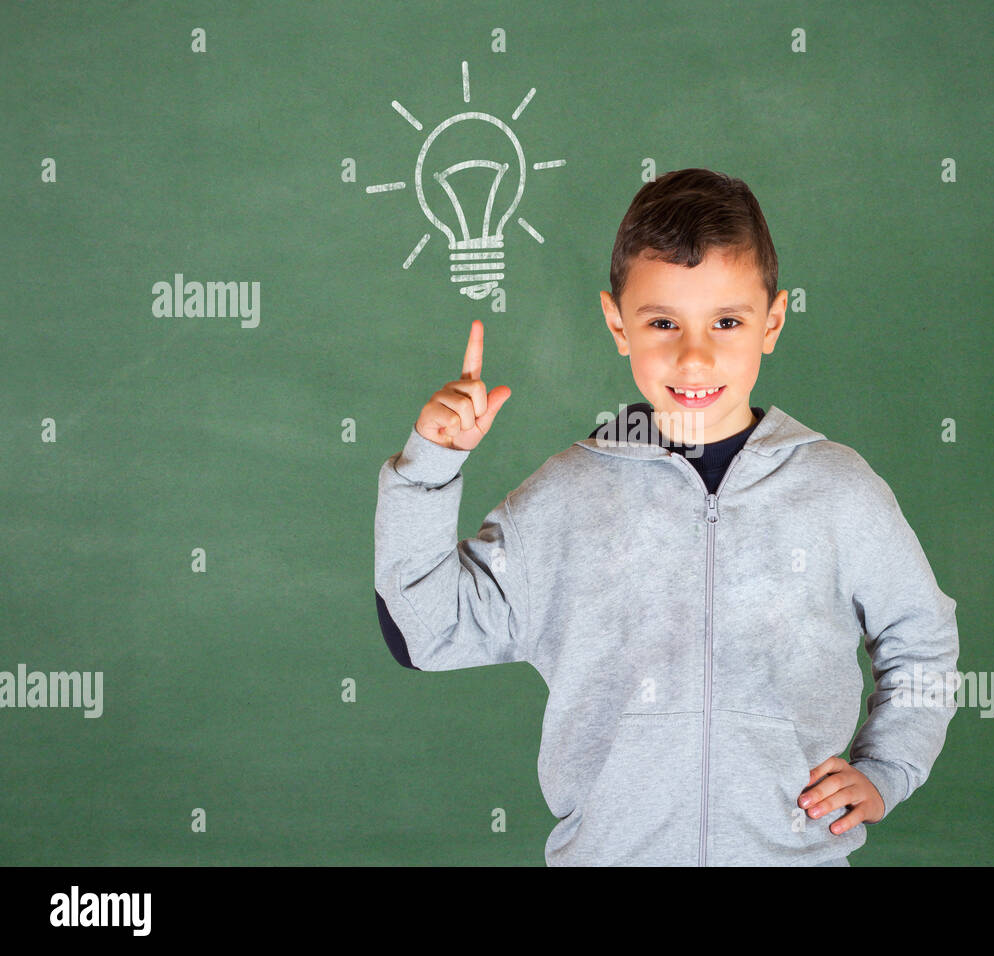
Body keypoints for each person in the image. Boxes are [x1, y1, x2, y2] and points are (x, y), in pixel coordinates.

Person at [374, 167, 960, 866]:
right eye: (662, 323)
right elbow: (424, 632)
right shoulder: (566, 498)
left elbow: (921, 642)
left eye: (727, 321)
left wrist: (888, 769)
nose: (694, 354)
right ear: (616, 323)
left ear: (771, 322)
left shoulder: (839, 491)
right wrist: (431, 464)